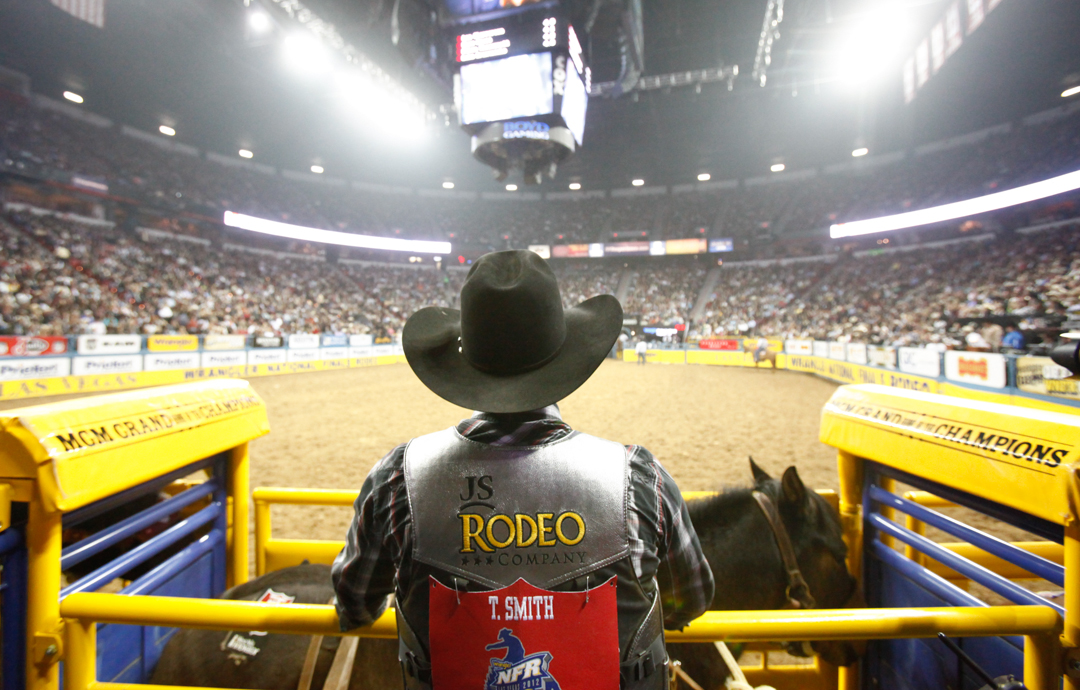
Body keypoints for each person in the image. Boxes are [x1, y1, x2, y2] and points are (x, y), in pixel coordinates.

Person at [332, 250, 714, 690]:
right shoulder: (639, 477)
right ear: (564, 353)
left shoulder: (398, 478)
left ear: (467, 362)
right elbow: (692, 598)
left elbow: (356, 602)